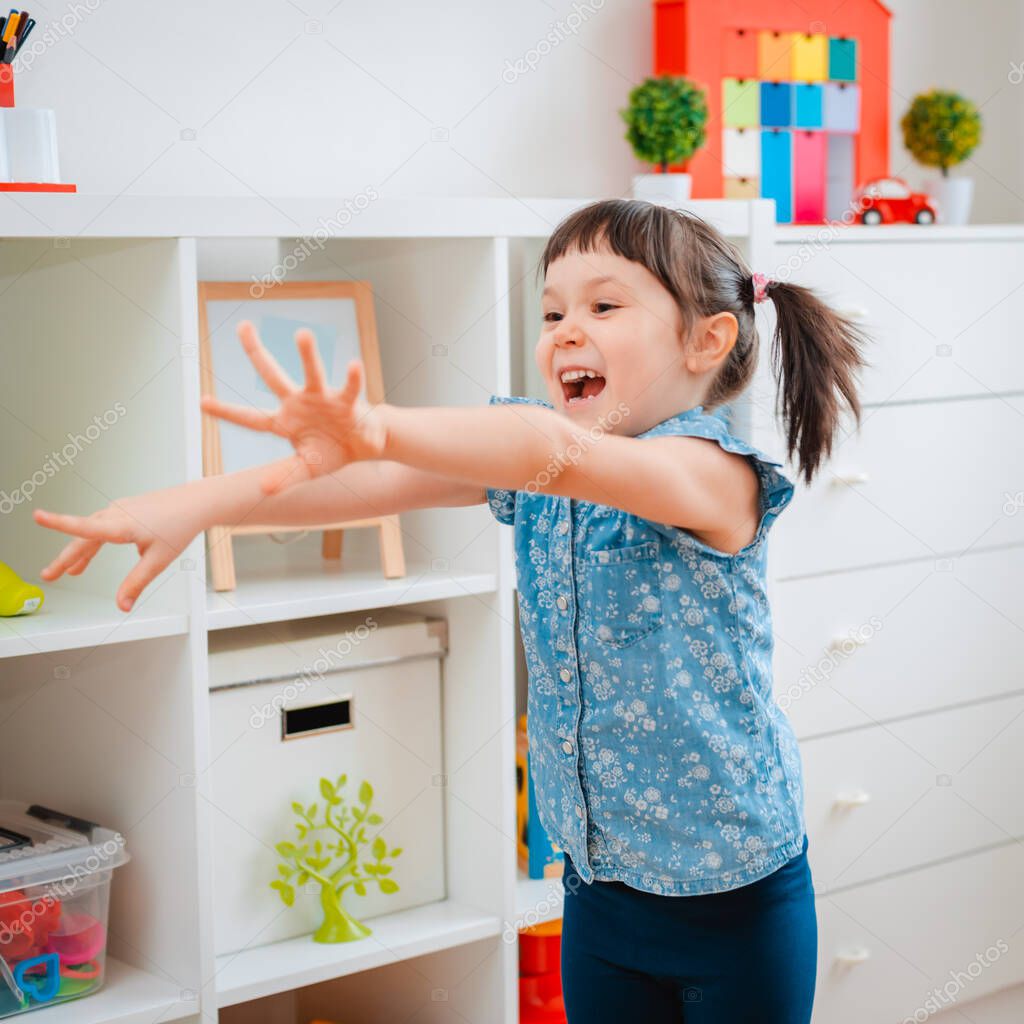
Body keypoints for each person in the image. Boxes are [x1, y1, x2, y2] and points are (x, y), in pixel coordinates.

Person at [33, 198, 867, 1022]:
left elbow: (550, 450)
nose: (565, 330)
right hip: (600, 898)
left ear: (706, 340)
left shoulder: (712, 474)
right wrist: (197, 504)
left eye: (603, 305)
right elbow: (371, 485)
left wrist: (376, 423)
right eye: (551, 311)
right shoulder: (543, 474)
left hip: (736, 902)